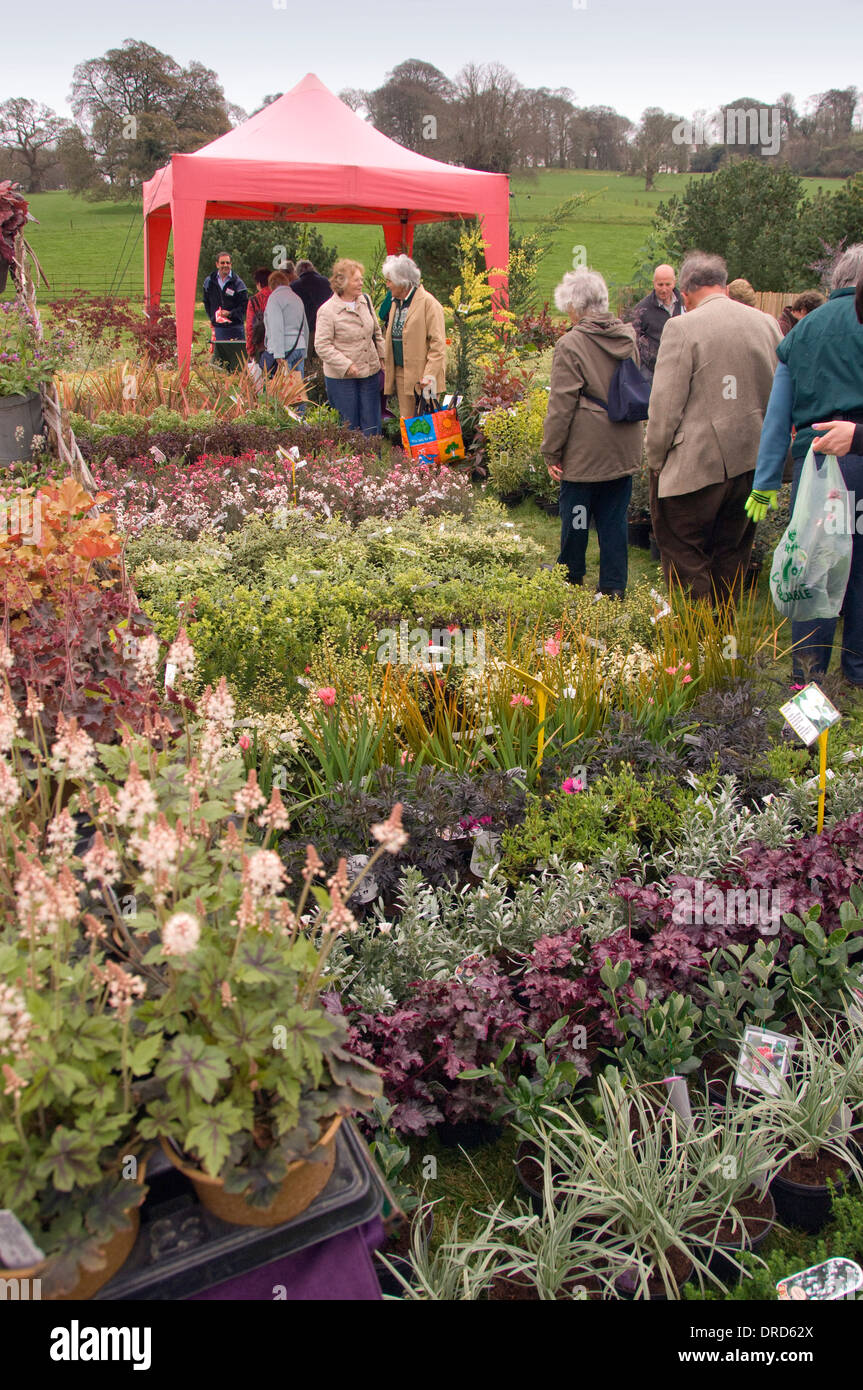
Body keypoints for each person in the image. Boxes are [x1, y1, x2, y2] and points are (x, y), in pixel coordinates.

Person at [747, 246, 863, 688]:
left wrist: (765, 482)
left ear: (835, 281)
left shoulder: (804, 330)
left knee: (811, 564)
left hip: (816, 471)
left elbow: (777, 415)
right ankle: (857, 671)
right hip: (860, 458)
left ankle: (806, 675)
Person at [646, 251, 782, 602]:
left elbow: (665, 407)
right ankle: (723, 643)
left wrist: (656, 460)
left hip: (695, 467)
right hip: (751, 463)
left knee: (683, 554)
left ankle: (698, 642)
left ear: (687, 291)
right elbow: (778, 395)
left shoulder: (682, 326)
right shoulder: (766, 323)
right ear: (723, 284)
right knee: (732, 555)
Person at [541, 267, 642, 598]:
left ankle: (571, 577)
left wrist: (551, 451)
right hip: (624, 442)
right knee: (614, 519)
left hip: (585, 448)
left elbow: (561, 405)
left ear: (576, 306)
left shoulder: (571, 344)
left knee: (578, 518)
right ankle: (613, 587)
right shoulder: (628, 338)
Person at [314, 259, 386, 436]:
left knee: (372, 424)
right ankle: (352, 463)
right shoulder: (327, 310)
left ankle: (373, 462)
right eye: (356, 280)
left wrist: (383, 359)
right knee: (348, 426)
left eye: (362, 279)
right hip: (342, 379)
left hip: (370, 373)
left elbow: (376, 332)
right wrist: (346, 365)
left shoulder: (366, 301)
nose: (361, 283)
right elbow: (322, 345)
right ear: (342, 283)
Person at [381, 254, 446, 420]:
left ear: (402, 281)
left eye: (390, 280)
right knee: (408, 425)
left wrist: (429, 375)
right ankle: (407, 448)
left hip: (424, 377)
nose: (387, 284)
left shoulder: (429, 303)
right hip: (403, 375)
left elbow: (438, 344)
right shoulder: (396, 302)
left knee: (427, 429)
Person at [629, 264, 684, 378]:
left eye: (668, 284)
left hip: (681, 366)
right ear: (654, 283)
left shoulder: (685, 303)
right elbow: (632, 338)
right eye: (660, 285)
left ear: (674, 282)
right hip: (653, 371)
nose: (664, 289)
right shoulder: (642, 309)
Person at [262, 269, 309, 378]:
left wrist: (278, 354)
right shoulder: (297, 298)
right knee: (297, 386)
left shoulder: (274, 298)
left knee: (284, 390)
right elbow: (305, 326)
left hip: (285, 349)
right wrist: (305, 351)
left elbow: (276, 326)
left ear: (271, 285)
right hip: (300, 347)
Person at [202, 252, 248, 341]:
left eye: (228, 263)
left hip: (236, 328)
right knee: (219, 355)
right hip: (219, 328)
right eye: (222, 263)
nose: (225, 265)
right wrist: (213, 318)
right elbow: (206, 301)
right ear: (217, 264)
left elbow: (244, 306)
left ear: (231, 264)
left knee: (237, 355)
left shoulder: (238, 283)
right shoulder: (209, 282)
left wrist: (230, 314)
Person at [289, 259, 334, 345]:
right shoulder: (326, 282)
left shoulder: (294, 286)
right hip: (326, 328)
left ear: (298, 272)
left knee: (307, 357)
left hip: (306, 330)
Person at [245, 268, 272, 364]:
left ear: (258, 283)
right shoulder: (279, 297)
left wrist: (250, 351)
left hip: (261, 345)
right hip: (280, 345)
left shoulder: (254, 300)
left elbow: (250, 327)